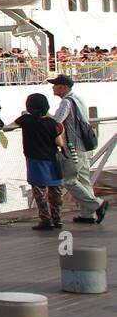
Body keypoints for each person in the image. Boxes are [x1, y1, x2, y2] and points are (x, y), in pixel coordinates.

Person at [50, 74, 108, 224]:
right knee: (84, 180)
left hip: (73, 147)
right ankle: (88, 215)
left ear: (63, 87)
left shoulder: (66, 102)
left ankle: (97, 204)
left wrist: (46, 118)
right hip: (84, 146)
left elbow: (57, 122)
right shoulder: (78, 99)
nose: (52, 87)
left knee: (69, 181)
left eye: (55, 85)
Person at [18, 93, 66, 231]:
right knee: (55, 191)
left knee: (39, 192)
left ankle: (45, 220)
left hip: (34, 160)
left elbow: (10, 126)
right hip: (52, 160)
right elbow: (59, 142)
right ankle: (57, 219)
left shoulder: (25, 120)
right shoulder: (53, 123)